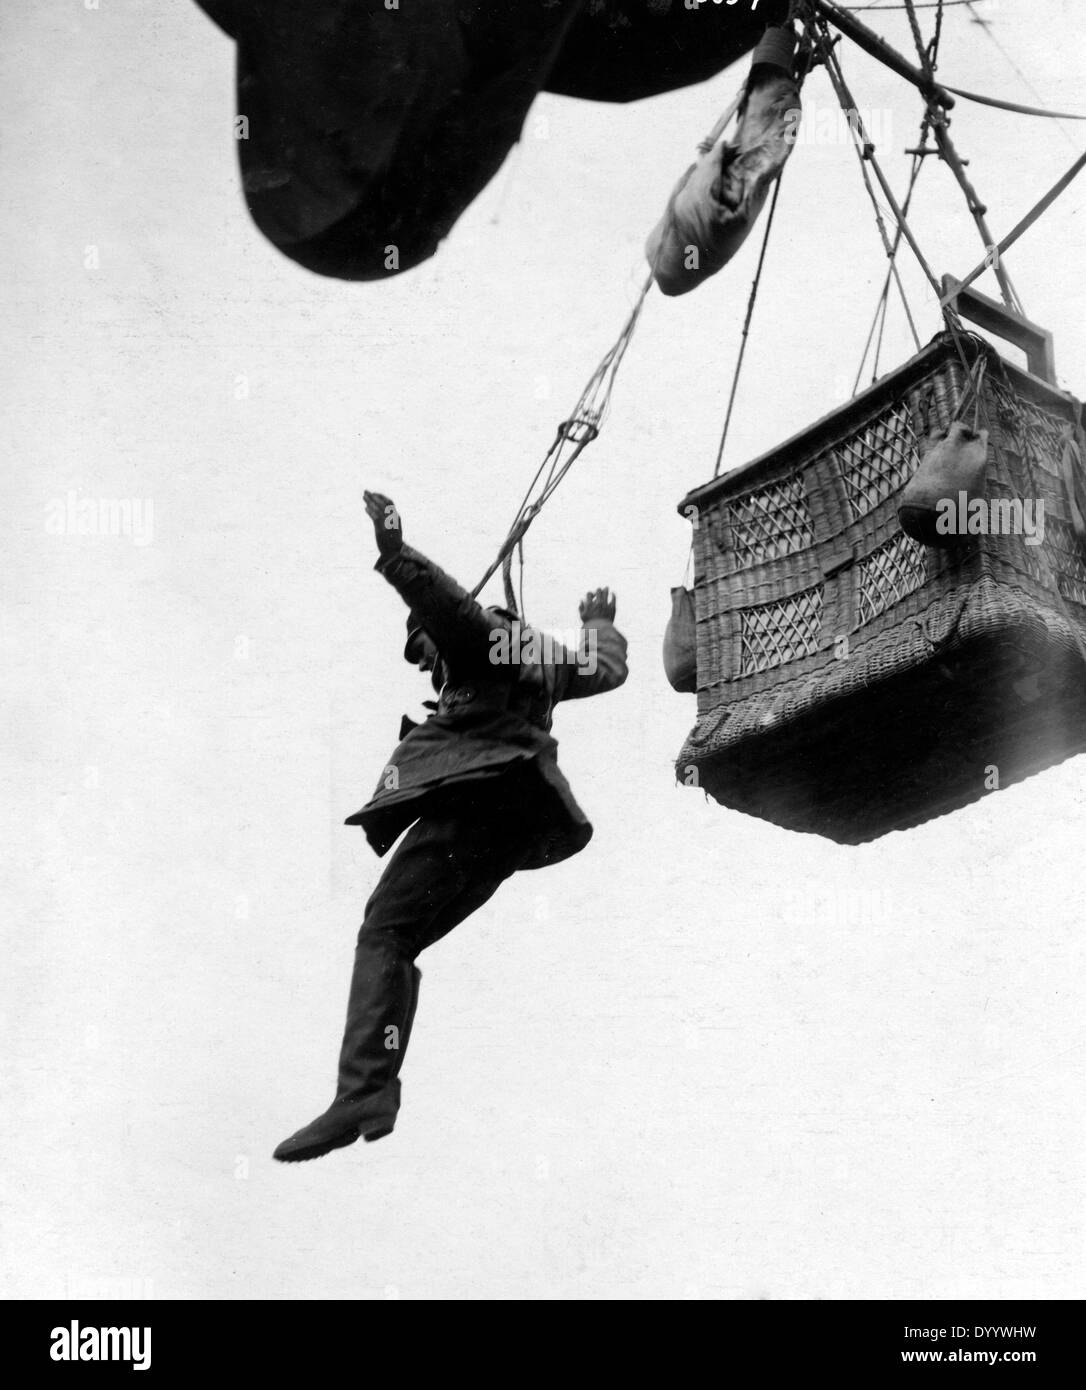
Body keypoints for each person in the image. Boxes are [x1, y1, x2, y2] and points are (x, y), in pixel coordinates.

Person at [273, 492, 628, 1161]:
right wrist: (598, 622)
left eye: (423, 655)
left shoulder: (476, 640)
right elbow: (604, 670)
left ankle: (365, 1091)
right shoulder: (545, 658)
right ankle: (369, 1088)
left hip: (477, 798)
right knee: (399, 937)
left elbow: (448, 608)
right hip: (516, 823)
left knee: (383, 931)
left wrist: (394, 551)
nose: (427, 667)